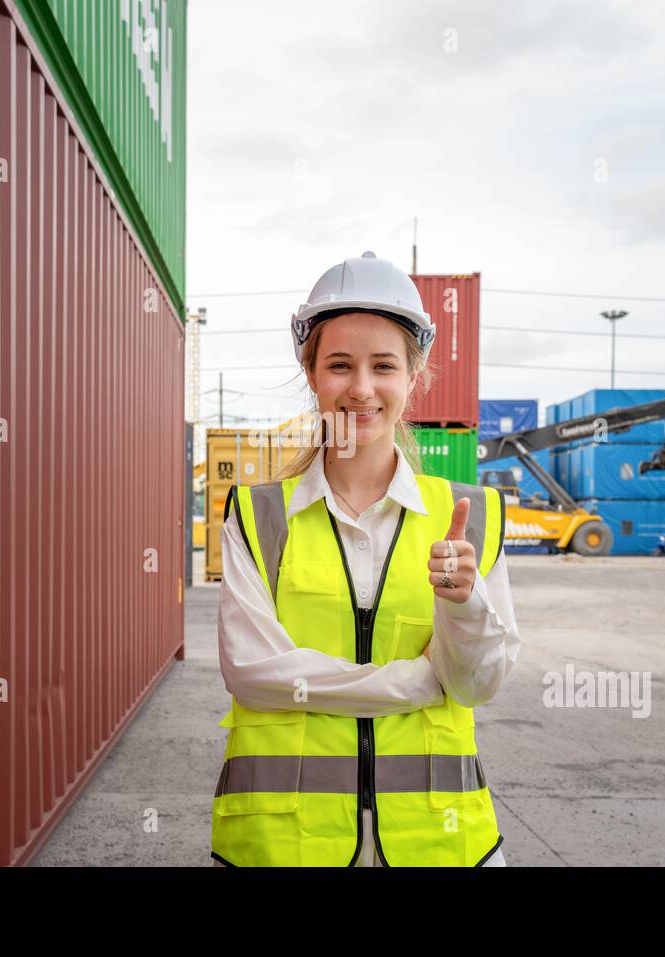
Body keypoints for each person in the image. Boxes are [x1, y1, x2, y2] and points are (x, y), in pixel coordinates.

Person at [210, 251, 521, 867]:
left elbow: (477, 684)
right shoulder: (257, 515)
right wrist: (414, 682)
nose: (361, 388)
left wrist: (463, 606)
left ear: (413, 376)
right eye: (339, 365)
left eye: (383, 365)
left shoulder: (470, 516)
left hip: (441, 845)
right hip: (284, 845)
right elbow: (253, 673)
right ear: (311, 373)